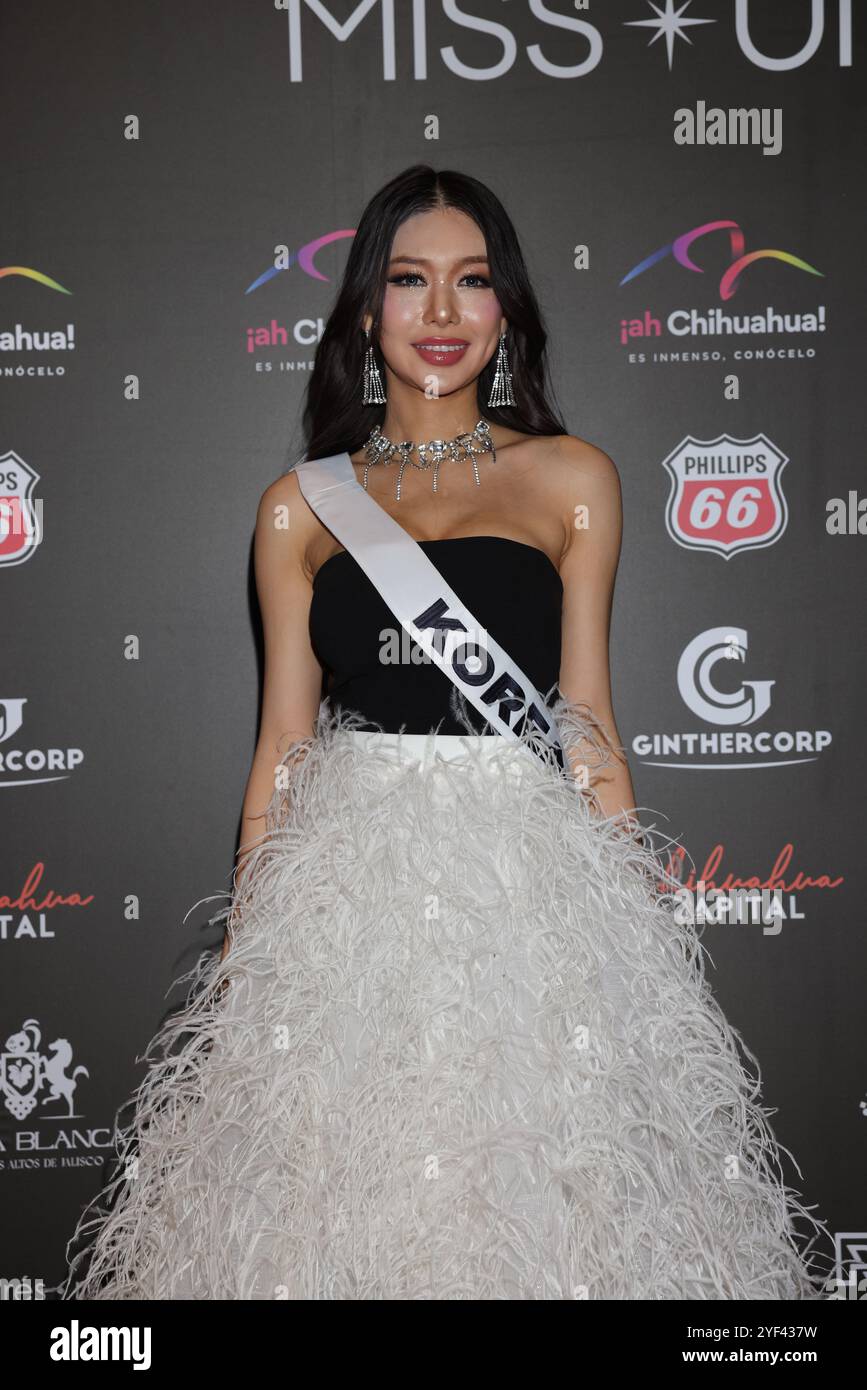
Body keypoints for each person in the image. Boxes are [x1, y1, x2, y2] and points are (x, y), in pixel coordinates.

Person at [60, 164, 831, 1300]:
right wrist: (247, 957)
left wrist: (641, 943)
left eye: (470, 283)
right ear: (368, 309)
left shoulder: (572, 479)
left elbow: (590, 726)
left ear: (507, 309)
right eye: (409, 281)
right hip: (351, 892)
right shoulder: (302, 504)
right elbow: (282, 746)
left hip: (526, 885)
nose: (439, 313)